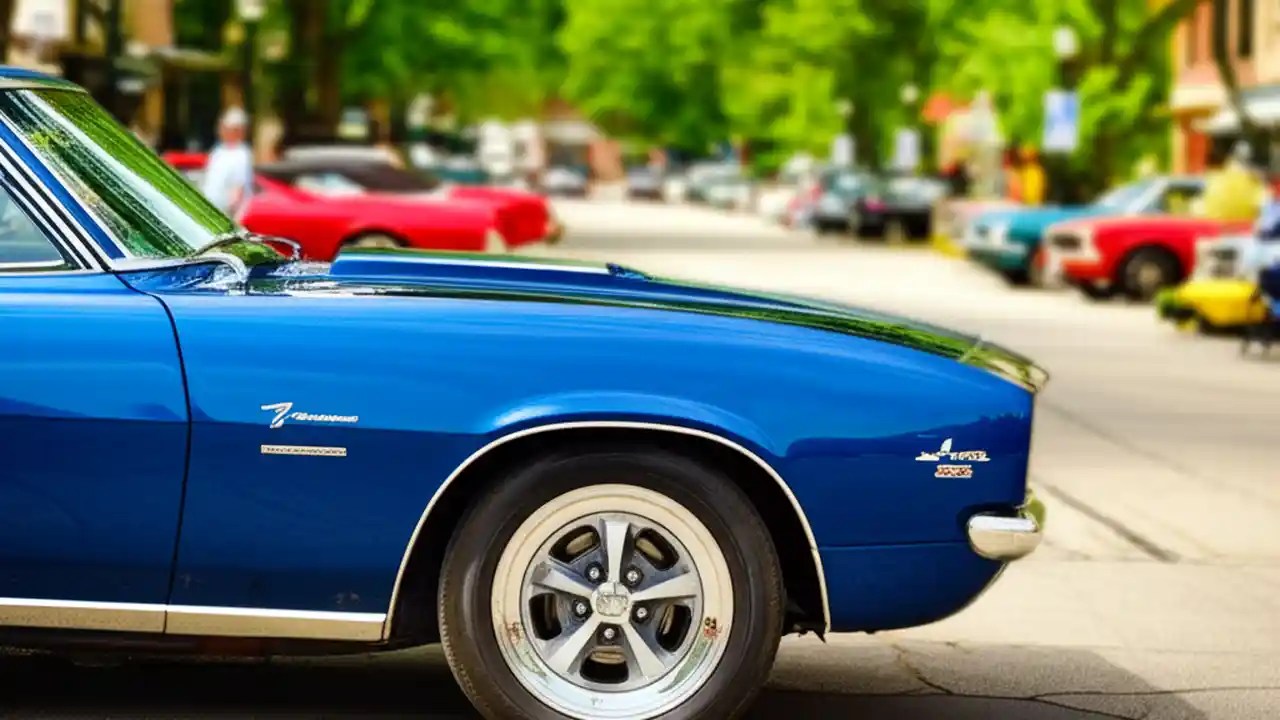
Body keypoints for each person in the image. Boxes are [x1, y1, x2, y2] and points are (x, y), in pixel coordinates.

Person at [200, 107, 254, 217]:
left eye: (226, 128)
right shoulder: (218, 151)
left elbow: (238, 188)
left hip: (226, 216)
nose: (221, 130)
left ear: (239, 131)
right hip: (210, 213)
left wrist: (229, 213)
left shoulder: (241, 155)